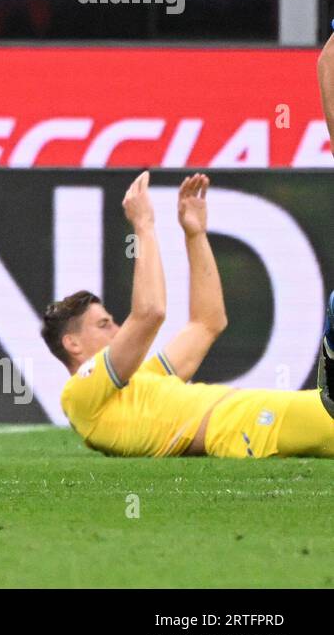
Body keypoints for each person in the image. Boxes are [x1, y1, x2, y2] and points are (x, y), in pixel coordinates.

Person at [43, 171, 334, 458]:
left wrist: (195, 234)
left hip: (261, 413)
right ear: (73, 344)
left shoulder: (145, 377)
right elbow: (150, 313)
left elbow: (208, 323)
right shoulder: (78, 396)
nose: (117, 330)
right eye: (104, 324)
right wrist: (143, 225)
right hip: (251, 426)